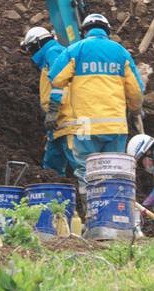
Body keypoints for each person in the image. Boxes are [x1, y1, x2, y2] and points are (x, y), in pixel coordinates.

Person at [47, 13, 144, 208]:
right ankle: (113, 215)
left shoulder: (76, 50)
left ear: (84, 31)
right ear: (107, 31)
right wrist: (135, 109)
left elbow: (55, 77)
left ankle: (92, 214)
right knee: (114, 172)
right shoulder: (121, 53)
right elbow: (136, 90)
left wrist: (54, 107)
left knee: (86, 171)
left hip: (85, 127)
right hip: (116, 128)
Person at [21, 26, 72, 176]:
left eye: (30, 49)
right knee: (51, 168)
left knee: (77, 162)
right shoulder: (53, 54)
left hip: (66, 119)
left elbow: (60, 84)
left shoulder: (53, 52)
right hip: (58, 122)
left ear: (37, 44)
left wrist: (53, 110)